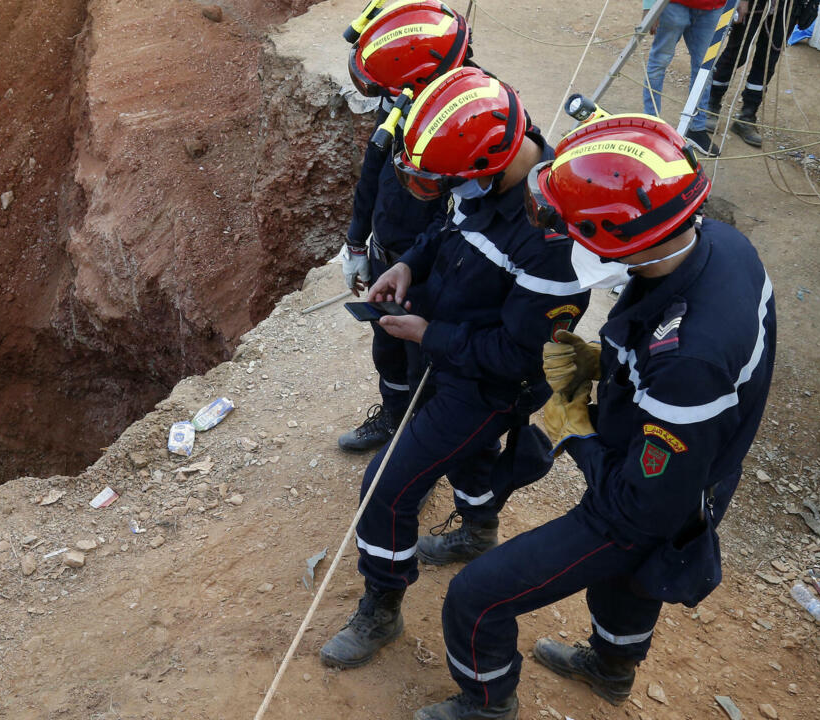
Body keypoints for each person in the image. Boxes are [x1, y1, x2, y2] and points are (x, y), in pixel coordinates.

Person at [417, 114, 776, 720]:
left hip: (653, 491)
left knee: (475, 597)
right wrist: (605, 369)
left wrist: (575, 425)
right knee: (630, 580)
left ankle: (486, 704)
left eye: (571, 226)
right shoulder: (717, 244)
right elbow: (655, 354)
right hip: (693, 458)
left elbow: (639, 508)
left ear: (625, 236)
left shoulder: (691, 358)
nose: (560, 237)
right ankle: (611, 668)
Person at [318, 67, 591, 671]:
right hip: (451, 355)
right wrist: (410, 267)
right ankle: (478, 530)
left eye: (446, 182)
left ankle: (381, 609)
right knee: (471, 458)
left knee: (386, 490)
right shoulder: (487, 177)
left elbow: (519, 356)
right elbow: (448, 229)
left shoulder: (552, 243)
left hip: (488, 386)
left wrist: (429, 334)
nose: (445, 192)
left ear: (486, 166)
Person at [337, 0, 467, 452]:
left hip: (430, 272)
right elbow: (373, 168)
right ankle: (393, 419)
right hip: (387, 258)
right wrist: (357, 243)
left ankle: (416, 446)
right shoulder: (406, 95)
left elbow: (461, 218)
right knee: (388, 350)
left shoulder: (469, 116)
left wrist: (411, 263)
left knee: (423, 365)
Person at [706, 0, 819, 148]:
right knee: (736, 53)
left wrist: (809, 6)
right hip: (753, 3)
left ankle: (747, 116)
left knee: (767, 61)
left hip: (787, 7)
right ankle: (711, 104)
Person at [642, 0, 725, 156]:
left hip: (713, 7)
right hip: (673, 5)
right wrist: (649, 5)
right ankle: (650, 123)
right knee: (659, 62)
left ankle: (696, 128)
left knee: (705, 68)